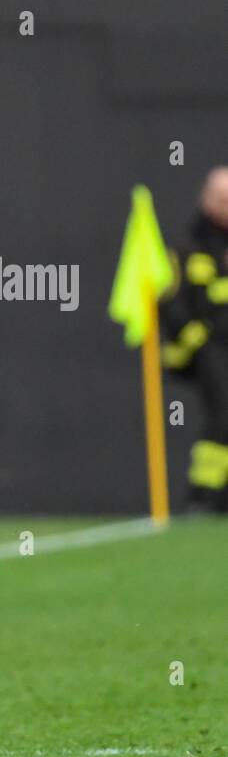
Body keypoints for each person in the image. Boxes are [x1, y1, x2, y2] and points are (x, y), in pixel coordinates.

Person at [159, 166, 228, 512]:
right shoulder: (187, 246)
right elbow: (171, 301)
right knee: (223, 413)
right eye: (223, 199)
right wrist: (196, 340)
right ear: (208, 200)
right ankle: (204, 496)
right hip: (207, 347)